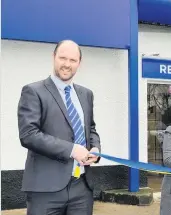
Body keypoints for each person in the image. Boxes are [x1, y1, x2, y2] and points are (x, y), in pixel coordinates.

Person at [17, 40, 101, 215]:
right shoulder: (33, 91)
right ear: (53, 57)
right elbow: (29, 134)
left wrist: (95, 148)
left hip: (82, 187)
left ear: (79, 63)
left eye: (73, 60)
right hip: (45, 189)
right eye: (62, 58)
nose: (67, 64)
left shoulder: (86, 94)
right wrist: (71, 150)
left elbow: (90, 128)